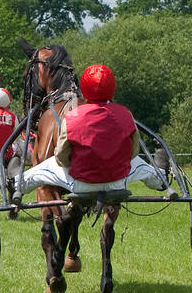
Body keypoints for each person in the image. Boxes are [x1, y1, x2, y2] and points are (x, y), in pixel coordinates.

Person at [10, 64, 174, 205]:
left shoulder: (72, 117)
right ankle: (161, 180)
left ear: (84, 87)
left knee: (42, 170)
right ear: (112, 87)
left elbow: (61, 156)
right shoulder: (126, 114)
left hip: (81, 183)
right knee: (141, 166)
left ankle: (16, 183)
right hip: (118, 182)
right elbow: (133, 151)